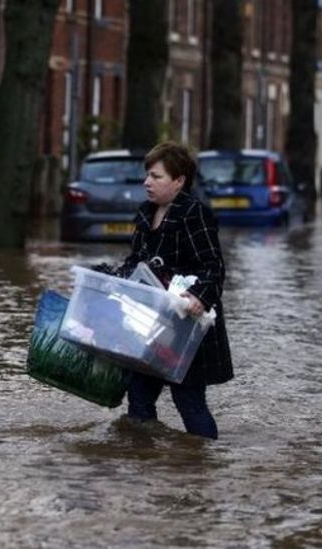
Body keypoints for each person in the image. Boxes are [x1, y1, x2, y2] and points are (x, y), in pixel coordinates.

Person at [115, 141, 233, 439]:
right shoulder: (146, 213)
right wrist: (113, 280)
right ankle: (145, 459)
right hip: (151, 324)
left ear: (179, 181)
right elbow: (135, 262)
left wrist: (199, 296)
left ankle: (203, 460)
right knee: (138, 397)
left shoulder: (194, 213)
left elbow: (213, 266)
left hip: (186, 327)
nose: (147, 182)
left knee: (189, 402)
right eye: (147, 175)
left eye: (156, 176)